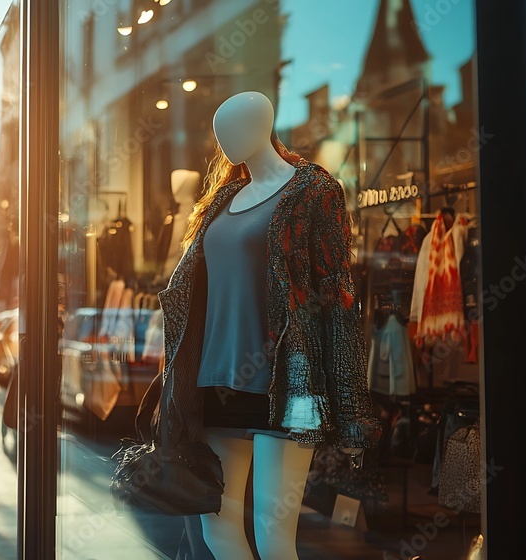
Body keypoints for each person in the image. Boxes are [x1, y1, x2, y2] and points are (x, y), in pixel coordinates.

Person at [157, 92, 380, 559]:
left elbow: (337, 300)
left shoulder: (315, 192)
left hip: (286, 386)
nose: (224, 140)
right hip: (215, 385)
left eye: (233, 126)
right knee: (219, 531)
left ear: (265, 124)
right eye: (218, 131)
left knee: (274, 537)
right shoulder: (221, 201)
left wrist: (351, 406)